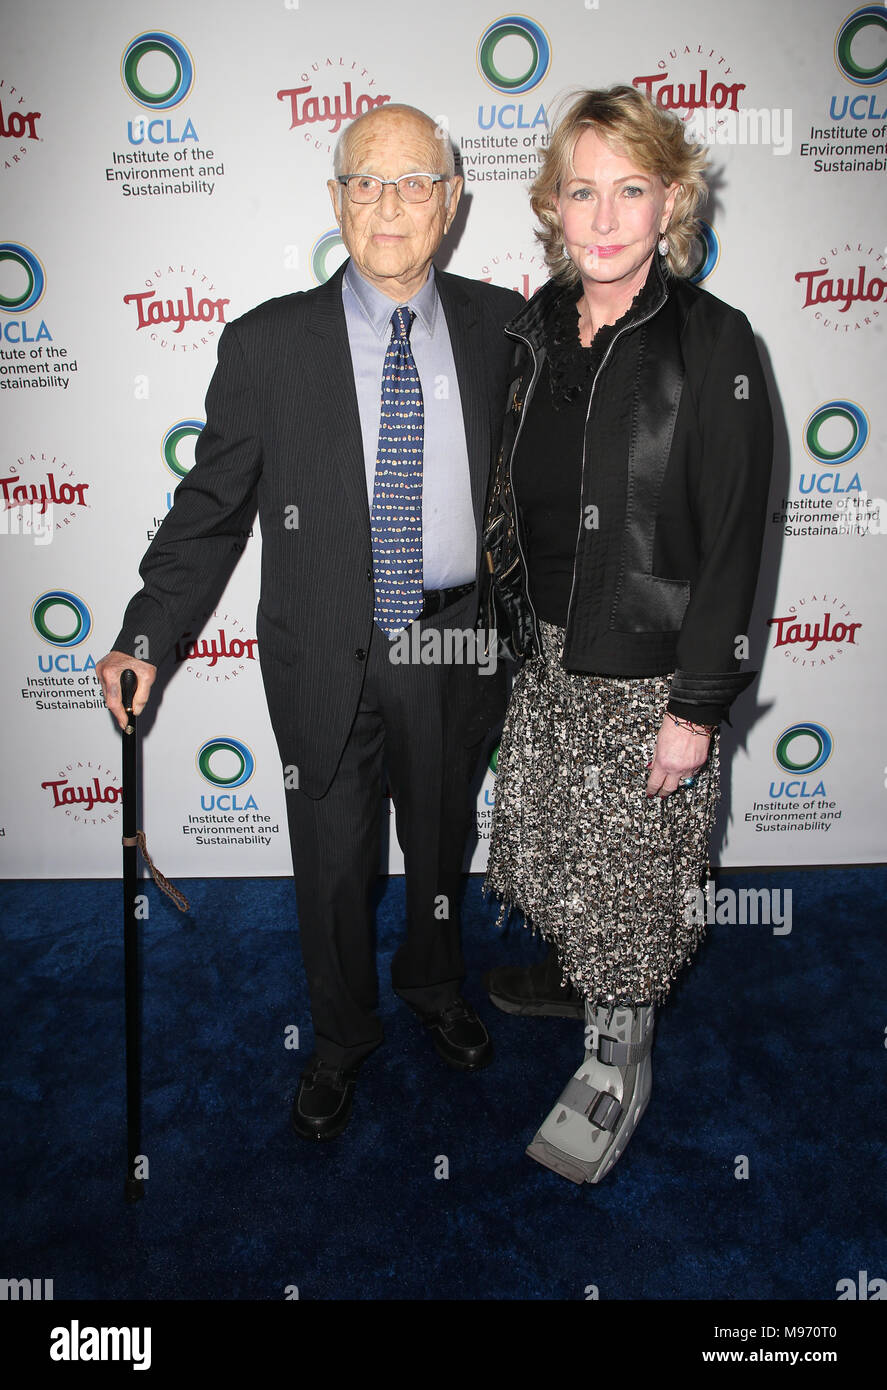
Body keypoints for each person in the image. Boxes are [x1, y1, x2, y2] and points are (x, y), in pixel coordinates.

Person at [97, 104, 523, 1142]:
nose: (387, 205)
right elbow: (209, 510)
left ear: (451, 201)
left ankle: (433, 984)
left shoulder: (505, 330)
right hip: (320, 647)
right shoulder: (264, 346)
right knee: (331, 863)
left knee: (437, 840)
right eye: (364, 182)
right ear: (333, 200)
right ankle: (341, 1035)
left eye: (413, 181)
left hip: (455, 643)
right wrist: (147, 632)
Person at [479, 85, 773, 1184]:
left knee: (633, 889)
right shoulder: (532, 331)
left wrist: (695, 711)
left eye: (630, 191)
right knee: (564, 859)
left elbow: (734, 544)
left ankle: (617, 1061)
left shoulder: (712, 342)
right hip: (548, 656)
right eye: (581, 191)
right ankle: (583, 981)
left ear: (671, 201)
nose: (603, 219)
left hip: (649, 674)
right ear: (552, 205)